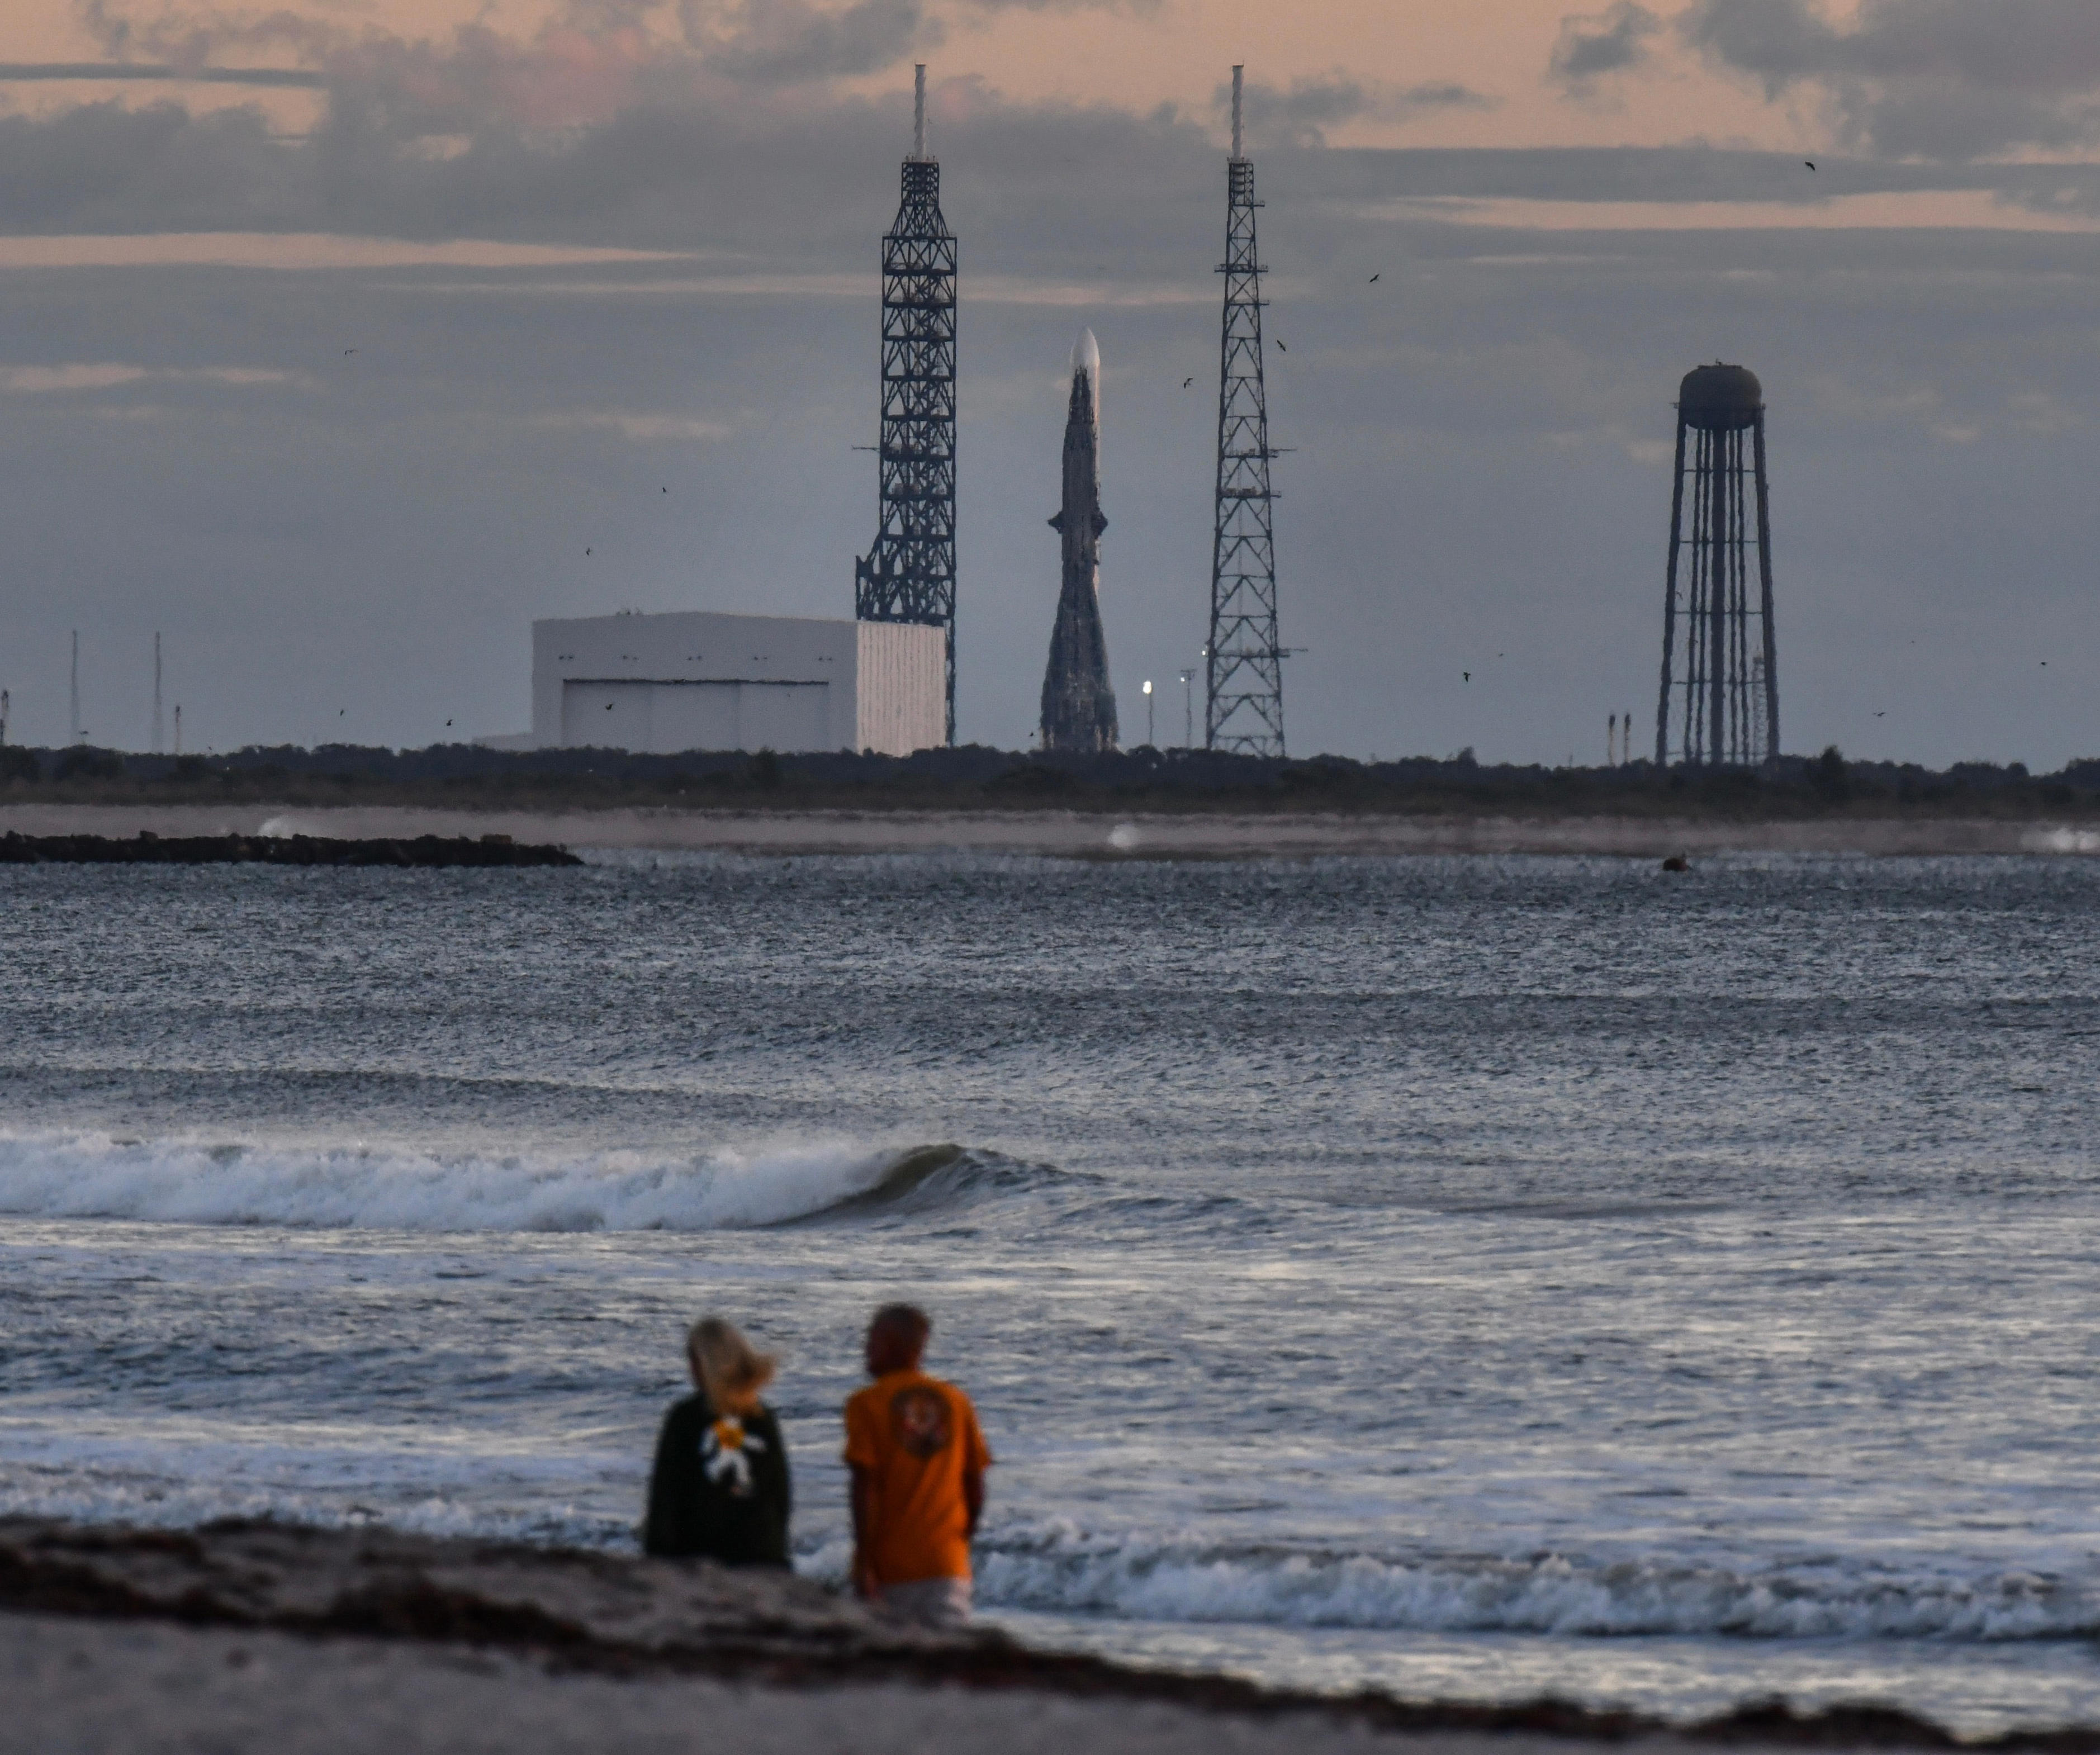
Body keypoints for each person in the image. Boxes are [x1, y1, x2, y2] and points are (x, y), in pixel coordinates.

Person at [842, 1303, 992, 1626]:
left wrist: (865, 1563)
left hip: (890, 1569)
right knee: (946, 1666)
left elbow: (864, 1487)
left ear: (891, 1344)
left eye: (872, 1340)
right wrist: (959, 1542)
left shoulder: (867, 1404)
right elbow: (975, 1487)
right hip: (947, 1567)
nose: (865, 1349)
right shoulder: (956, 1401)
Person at [643, 1317, 791, 1566]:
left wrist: (656, 1554)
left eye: (693, 1359)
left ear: (705, 1362)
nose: (690, 1368)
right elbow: (780, 1494)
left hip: (697, 1554)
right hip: (761, 1554)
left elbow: (666, 1495)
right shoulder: (762, 1418)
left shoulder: (686, 1417)